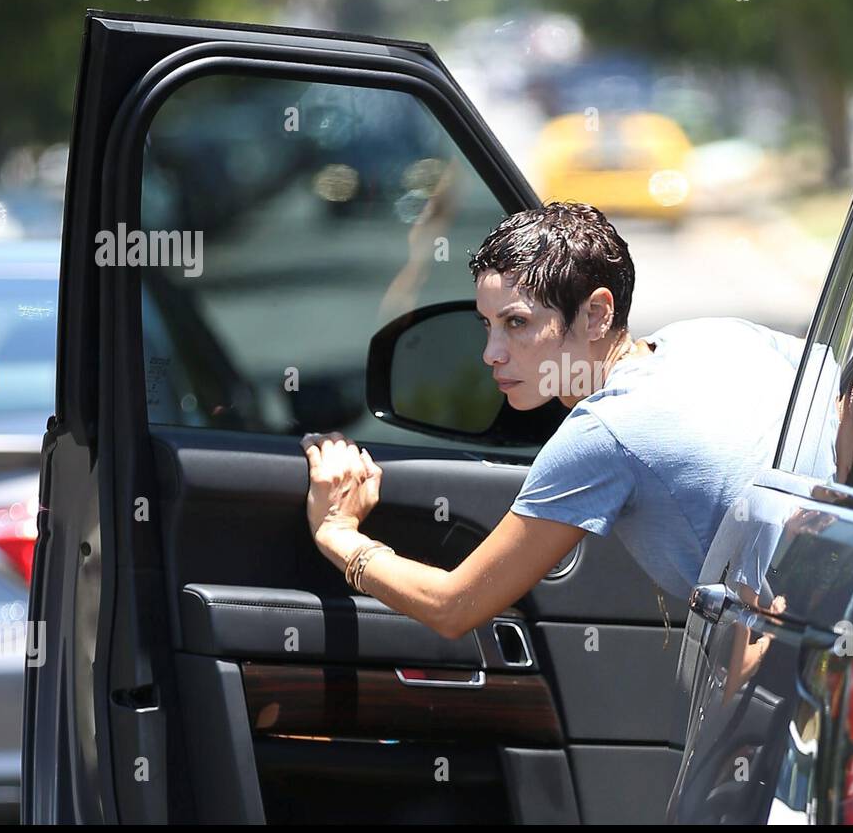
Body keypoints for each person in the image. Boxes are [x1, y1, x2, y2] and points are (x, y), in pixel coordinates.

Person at [301, 201, 805, 639]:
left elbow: (453, 607)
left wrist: (339, 534)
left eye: (516, 323)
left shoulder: (605, 432)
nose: (491, 354)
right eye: (487, 325)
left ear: (595, 315)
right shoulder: (720, 335)